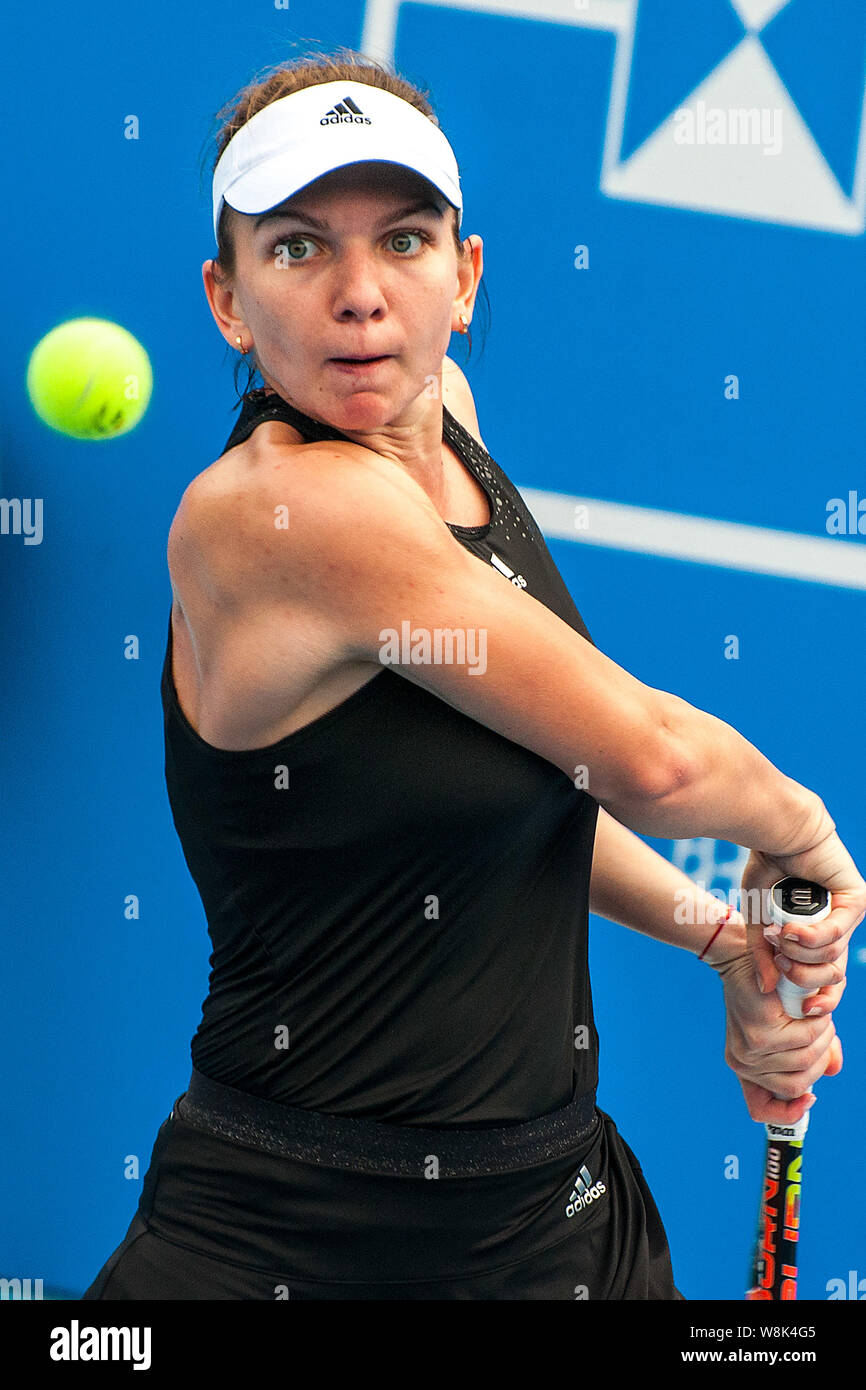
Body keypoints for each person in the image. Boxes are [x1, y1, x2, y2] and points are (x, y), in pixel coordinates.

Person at [81, 50, 864, 1301]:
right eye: (296, 248)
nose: (359, 296)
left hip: (552, 1223)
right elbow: (648, 759)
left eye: (402, 240)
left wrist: (724, 938)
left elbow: (527, 784)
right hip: (288, 1237)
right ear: (227, 301)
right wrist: (806, 836)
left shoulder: (446, 424)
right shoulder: (280, 515)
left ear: (465, 275)